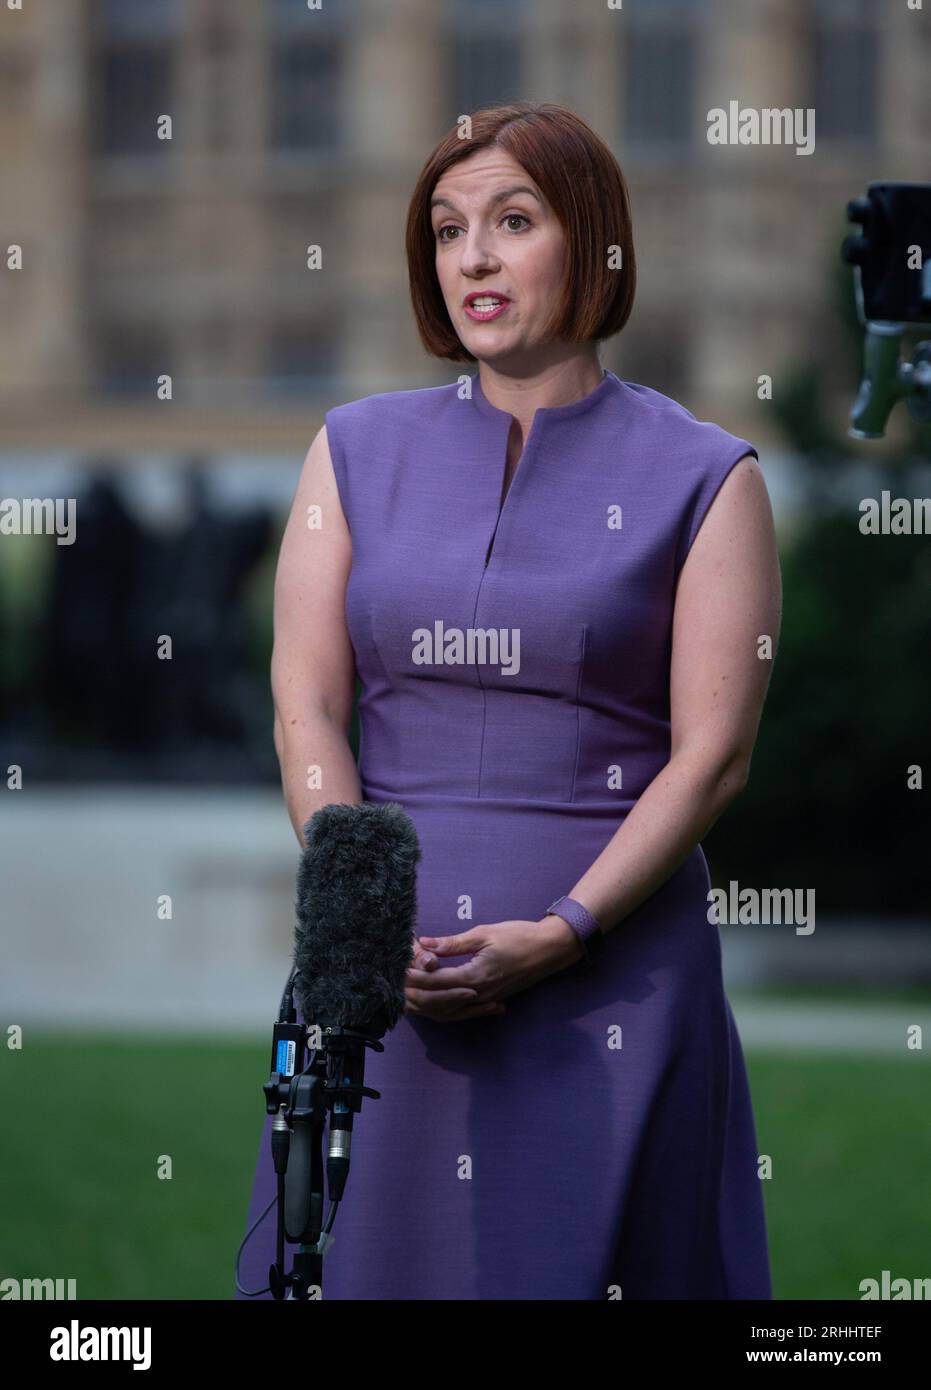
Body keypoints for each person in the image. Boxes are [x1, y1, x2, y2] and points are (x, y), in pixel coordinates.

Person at [236, 100, 780, 1300]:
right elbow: (306, 699)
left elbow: (713, 757)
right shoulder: (351, 447)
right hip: (389, 996)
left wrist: (563, 930)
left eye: (512, 221)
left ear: (592, 240)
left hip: (616, 987)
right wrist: (355, 923)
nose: (471, 257)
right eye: (445, 229)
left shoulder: (707, 474)